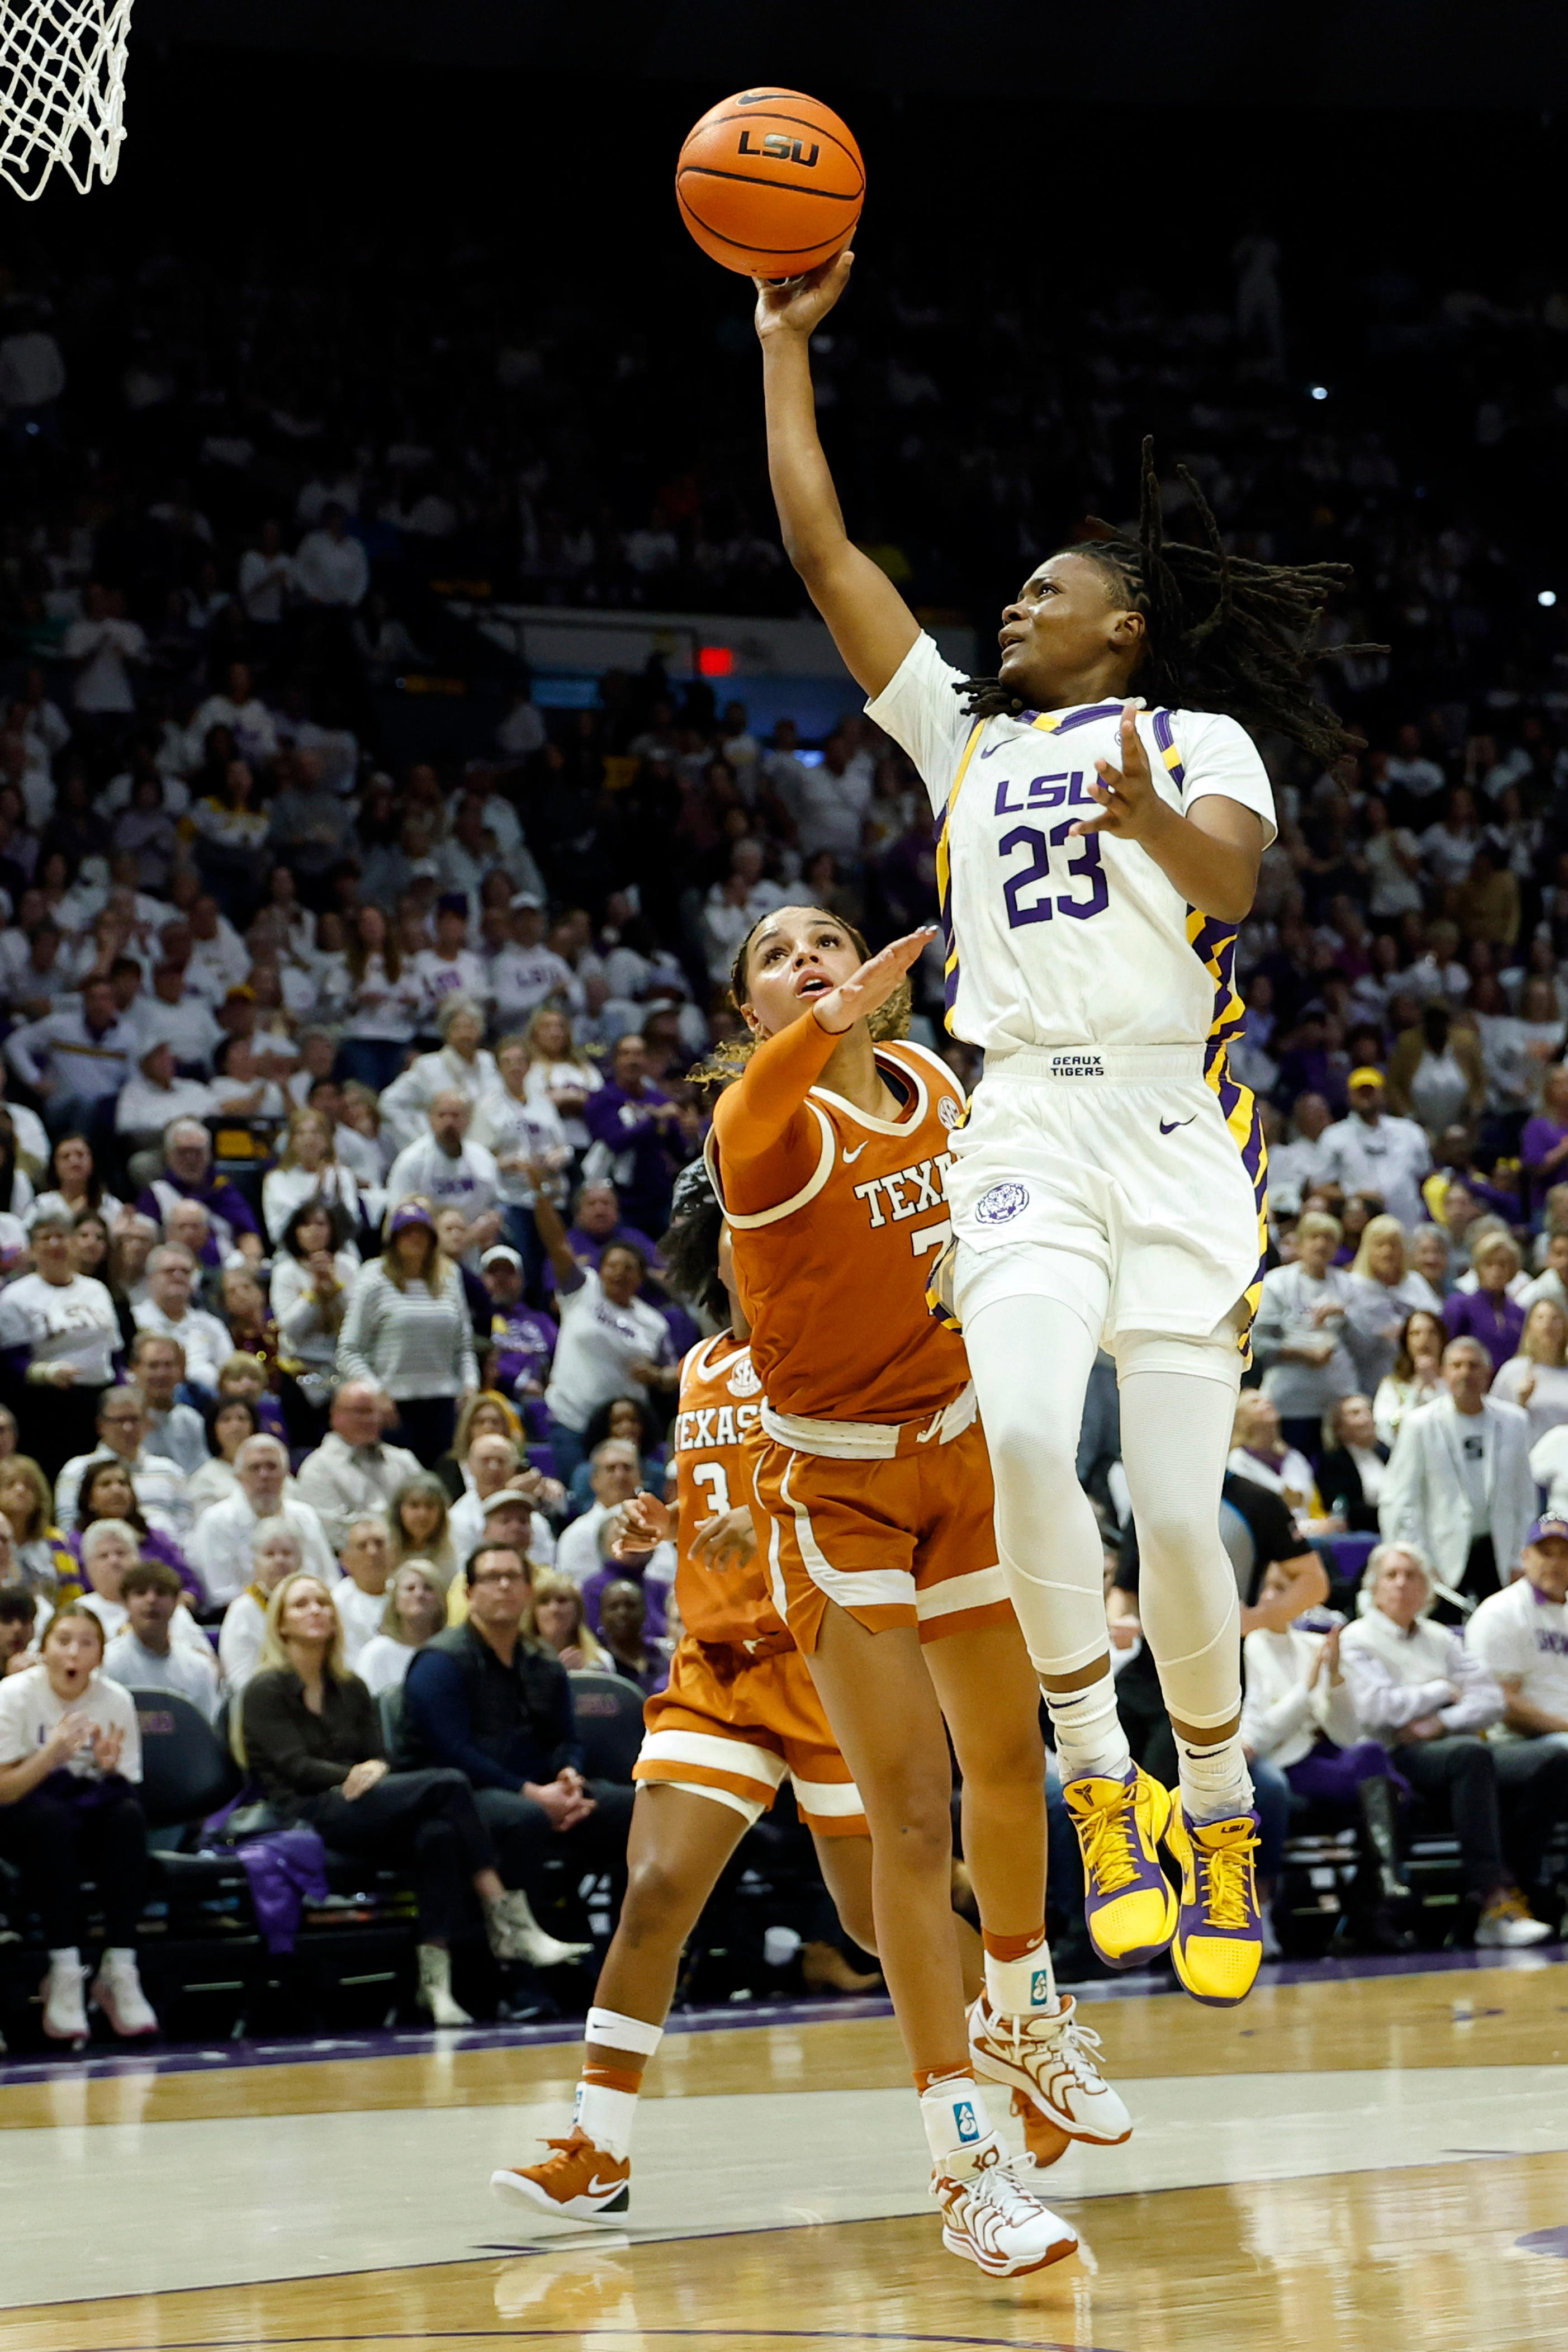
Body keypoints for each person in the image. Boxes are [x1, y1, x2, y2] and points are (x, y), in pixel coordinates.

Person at [759, 259, 1387, 2033]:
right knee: (1031, 1430)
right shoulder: (962, 736)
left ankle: (1216, 1803)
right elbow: (825, 561)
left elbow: (1229, 884)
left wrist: (1146, 819)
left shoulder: (1198, 733)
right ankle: (1094, 1765)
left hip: (1176, 1124)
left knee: (1180, 1525)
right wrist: (781, 350)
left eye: (1051, 588)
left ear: (1121, 624)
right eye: (1019, 587)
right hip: (1023, 1106)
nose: (1015, 601)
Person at [704, 896, 1102, 2275]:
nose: (808, 957)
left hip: (959, 1454)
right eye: (774, 954)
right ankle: (963, 2169)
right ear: (751, 1009)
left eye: (824, 937)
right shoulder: (761, 1129)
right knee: (907, 1825)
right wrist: (824, 1020)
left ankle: (1024, 2009)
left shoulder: (934, 1079)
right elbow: (761, 1098)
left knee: (1012, 1764)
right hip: (840, 1488)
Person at [239, 1569, 567, 2027]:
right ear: (281, 1625)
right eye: (301, 1604)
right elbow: (295, 1768)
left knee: (438, 1834)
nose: (315, 1610)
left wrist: (373, 1769)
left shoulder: (350, 1686)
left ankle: (435, 1987)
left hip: (359, 1807)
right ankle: (507, 1920)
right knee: (448, 1783)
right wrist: (356, 1772)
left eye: (321, 1603)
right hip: (304, 1813)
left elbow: (380, 1757)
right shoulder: (264, 1689)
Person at [1339, 1542, 1548, 1947]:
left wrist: (1440, 1720)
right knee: (1470, 1755)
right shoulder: (1357, 1638)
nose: (1401, 1583)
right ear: (1373, 1587)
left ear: (1427, 1588)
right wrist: (1441, 1689)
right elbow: (1378, 1709)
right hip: (1389, 1757)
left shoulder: (1440, 1638)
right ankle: (1490, 1898)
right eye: (1391, 1575)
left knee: (1551, 1759)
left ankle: (1526, 1883)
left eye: (1411, 1575)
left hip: (1449, 1750)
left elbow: (1490, 1698)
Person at [0, 1602, 158, 2041]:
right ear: (44, 1649)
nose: (74, 1652)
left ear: (101, 1655)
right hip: (21, 1817)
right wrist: (52, 1753)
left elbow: (124, 1786)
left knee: (126, 1816)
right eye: (64, 1640)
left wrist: (109, 1769)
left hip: (84, 1818)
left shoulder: (116, 1700)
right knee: (50, 1819)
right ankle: (64, 1969)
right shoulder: (12, 1695)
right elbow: (4, 1791)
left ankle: (120, 1967)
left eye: (87, 1642)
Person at [1240, 1558, 1413, 1948]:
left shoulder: (1313, 1644)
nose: (1273, 1596)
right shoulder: (1247, 1649)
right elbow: (1260, 1735)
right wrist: (1306, 1689)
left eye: (1284, 1587)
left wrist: (1334, 1680)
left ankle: (1372, 1895)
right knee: (1388, 1786)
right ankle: (1376, 1894)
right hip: (1285, 1761)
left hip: (1326, 1755)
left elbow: (1346, 1731)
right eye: (1267, 1587)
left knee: (1374, 1760)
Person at [533, 1182, 676, 1488]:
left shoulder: (653, 1322)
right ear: (601, 1270)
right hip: (571, 1419)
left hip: (622, 1428)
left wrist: (657, 1376)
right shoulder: (583, 1290)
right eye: (612, 1266)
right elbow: (556, 1244)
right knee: (579, 1493)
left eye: (628, 1268)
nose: (619, 1273)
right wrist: (540, 1195)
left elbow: (676, 1373)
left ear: (640, 1277)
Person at [1379, 1337, 1535, 1616]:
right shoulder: (1420, 1424)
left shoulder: (1514, 1421)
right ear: (1444, 1373)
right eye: (1457, 1365)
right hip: (1439, 1555)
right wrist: (1418, 1560)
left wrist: (1520, 1558)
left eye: (1474, 1366)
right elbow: (1399, 1498)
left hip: (1497, 1550)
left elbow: (1525, 1497)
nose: (1466, 1373)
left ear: (1488, 1373)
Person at [1464, 1513, 1568, 1911]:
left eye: (1563, 1553)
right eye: (1545, 1552)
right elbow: (1505, 1704)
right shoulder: (1501, 1613)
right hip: (1511, 1743)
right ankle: (1525, 1873)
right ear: (1524, 1557)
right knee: (1562, 1753)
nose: (1554, 1562)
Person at [337, 1199, 477, 1466]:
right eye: (407, 1232)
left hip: (443, 1405)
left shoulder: (449, 1276)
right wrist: (375, 1391)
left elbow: (464, 1345)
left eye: (421, 1231)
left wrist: (470, 1384)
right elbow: (349, 1349)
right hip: (392, 1407)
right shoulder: (373, 1277)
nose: (415, 1238)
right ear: (393, 1239)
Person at [0, 1209, 120, 1477]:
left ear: (75, 1243)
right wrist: (47, 1373)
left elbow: (115, 1354)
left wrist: (122, 1393)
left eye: (62, 1236)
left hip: (98, 1400)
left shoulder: (96, 1290)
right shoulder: (15, 1298)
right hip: (46, 1405)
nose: (55, 1244)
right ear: (31, 1250)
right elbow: (10, 1363)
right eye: (46, 1238)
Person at [1251, 1211, 1358, 1461]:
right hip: (1290, 1403)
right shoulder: (1278, 1282)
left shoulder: (1347, 1284)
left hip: (1336, 1403)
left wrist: (1347, 1316)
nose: (1321, 1244)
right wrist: (1302, 1354)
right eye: (1314, 1237)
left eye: (1329, 1238)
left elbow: (1364, 1346)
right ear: (1299, 1243)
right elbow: (1258, 1343)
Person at [190, 1432, 337, 1608]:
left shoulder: (305, 1516)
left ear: (285, 1474)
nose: (264, 1475)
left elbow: (330, 1580)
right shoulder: (216, 1521)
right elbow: (220, 1594)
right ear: (239, 1477)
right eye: (255, 1468)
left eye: (272, 1467)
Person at [269, 1197, 359, 1449]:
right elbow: (290, 1327)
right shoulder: (285, 1272)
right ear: (295, 1231)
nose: (314, 1231)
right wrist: (314, 1294)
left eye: (321, 1224)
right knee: (304, 1446)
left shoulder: (348, 1267)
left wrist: (335, 1287)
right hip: (299, 1372)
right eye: (306, 1225)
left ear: (332, 1229)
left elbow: (356, 1321)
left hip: (341, 1371)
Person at [54, 1383, 192, 1542]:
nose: (128, 1427)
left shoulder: (170, 1471)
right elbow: (69, 1534)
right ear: (100, 1426)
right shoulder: (77, 1470)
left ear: (147, 1423)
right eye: (119, 1420)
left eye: (134, 1419)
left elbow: (186, 1532)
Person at [295, 1381, 423, 1553]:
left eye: (375, 1411)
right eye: (361, 1411)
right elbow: (332, 1534)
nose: (370, 1419)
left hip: (412, 1557)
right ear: (335, 1415)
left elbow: (431, 1506)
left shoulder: (404, 1460)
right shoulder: (318, 1469)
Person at [103, 1558, 223, 1722]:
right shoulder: (106, 1664)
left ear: (176, 1603)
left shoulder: (199, 1669)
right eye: (140, 1593)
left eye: (161, 1593)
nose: (151, 1600)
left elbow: (208, 1731)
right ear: (125, 1603)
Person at [379, 994, 499, 1154]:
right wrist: (418, 1141)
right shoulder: (429, 1066)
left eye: (471, 1027)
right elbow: (389, 1103)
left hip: (485, 1151)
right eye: (458, 1028)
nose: (465, 1034)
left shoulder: (487, 1062)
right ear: (446, 1032)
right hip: (442, 1152)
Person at [1316, 1068, 1432, 1232]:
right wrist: (1355, 1194)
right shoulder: (1334, 1136)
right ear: (1350, 1096)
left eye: (1371, 1091)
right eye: (1360, 1092)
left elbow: (1425, 1177)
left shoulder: (1410, 1131)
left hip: (1409, 1222)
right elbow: (1320, 1186)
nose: (1366, 1097)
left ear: (1383, 1094)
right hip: (1360, 1227)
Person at [131, 1244, 234, 1395]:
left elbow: (229, 1372)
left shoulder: (211, 1324)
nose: (178, 1276)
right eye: (169, 1271)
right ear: (151, 1278)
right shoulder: (135, 1320)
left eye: (185, 1272)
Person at [219, 1520, 307, 1696]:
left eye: (287, 1553)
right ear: (256, 1562)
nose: (279, 1560)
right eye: (270, 1554)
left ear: (300, 1561)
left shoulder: (312, 1606)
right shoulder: (243, 1611)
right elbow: (240, 1680)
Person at [262, 1107, 364, 1249]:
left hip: (339, 1252)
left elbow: (353, 1224)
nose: (309, 1140)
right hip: (293, 1256)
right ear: (291, 1141)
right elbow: (277, 1232)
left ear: (327, 1139)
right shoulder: (277, 1179)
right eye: (301, 1133)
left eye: (316, 1133)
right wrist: (318, 1192)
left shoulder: (342, 1175)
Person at [355, 1558, 451, 1697]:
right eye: (410, 1588)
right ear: (395, 1601)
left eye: (428, 1588)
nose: (419, 1594)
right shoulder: (376, 1653)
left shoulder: (452, 1651)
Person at [555, 1438, 643, 1587]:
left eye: (627, 1468)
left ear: (640, 1477)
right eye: (611, 1469)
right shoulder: (577, 1534)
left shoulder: (657, 1530)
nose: (620, 1476)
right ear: (594, 1480)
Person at [1443, 1229, 1527, 1374]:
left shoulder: (1520, 1314)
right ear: (1478, 1268)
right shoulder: (1460, 1306)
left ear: (1513, 1269)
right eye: (1489, 1264)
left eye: (1503, 1264)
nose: (1496, 1271)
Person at [1490, 1298, 1568, 1447]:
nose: (1548, 1325)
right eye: (1540, 1318)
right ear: (1530, 1326)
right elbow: (1493, 1420)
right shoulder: (1513, 1371)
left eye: (1555, 1319)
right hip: (1527, 1458)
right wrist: (1519, 1402)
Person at [131, 1332, 209, 1478]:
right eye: (153, 1366)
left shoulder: (190, 1420)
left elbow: (204, 1471)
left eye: (168, 1365)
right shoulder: (126, 1421)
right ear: (135, 1369)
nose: (162, 1373)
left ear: (180, 1371)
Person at [0, 1454, 75, 1601]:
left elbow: (70, 1593)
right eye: (10, 1484)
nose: (21, 1490)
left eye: (29, 1486)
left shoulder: (55, 1540)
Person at [1372, 1308, 1447, 1450]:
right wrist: (1416, 1393)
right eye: (1415, 1334)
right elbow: (1386, 1432)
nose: (1424, 1340)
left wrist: (1434, 1386)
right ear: (1406, 1342)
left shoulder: (1455, 1380)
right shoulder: (1392, 1385)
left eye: (1432, 1333)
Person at [1315, 1395, 1390, 1535]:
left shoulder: (1387, 1453)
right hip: (1362, 1531)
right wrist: (1388, 1514)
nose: (1366, 1418)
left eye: (1368, 1411)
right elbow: (1346, 1509)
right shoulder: (1333, 1461)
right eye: (1356, 1413)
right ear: (1339, 1427)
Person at [332, 1515, 396, 1668]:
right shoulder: (335, 1603)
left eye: (379, 1544)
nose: (373, 1552)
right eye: (362, 1546)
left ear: (393, 1553)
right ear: (345, 1560)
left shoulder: (406, 1594)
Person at [387, 1471, 462, 1589]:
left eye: (430, 1506)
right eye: (414, 1505)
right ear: (399, 1510)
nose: (422, 1514)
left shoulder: (453, 1551)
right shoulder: (383, 1550)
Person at [528, 1570, 609, 1672]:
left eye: (562, 1601)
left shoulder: (601, 1660)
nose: (554, 1609)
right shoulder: (518, 1659)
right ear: (533, 1612)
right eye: (544, 1602)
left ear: (578, 1611)